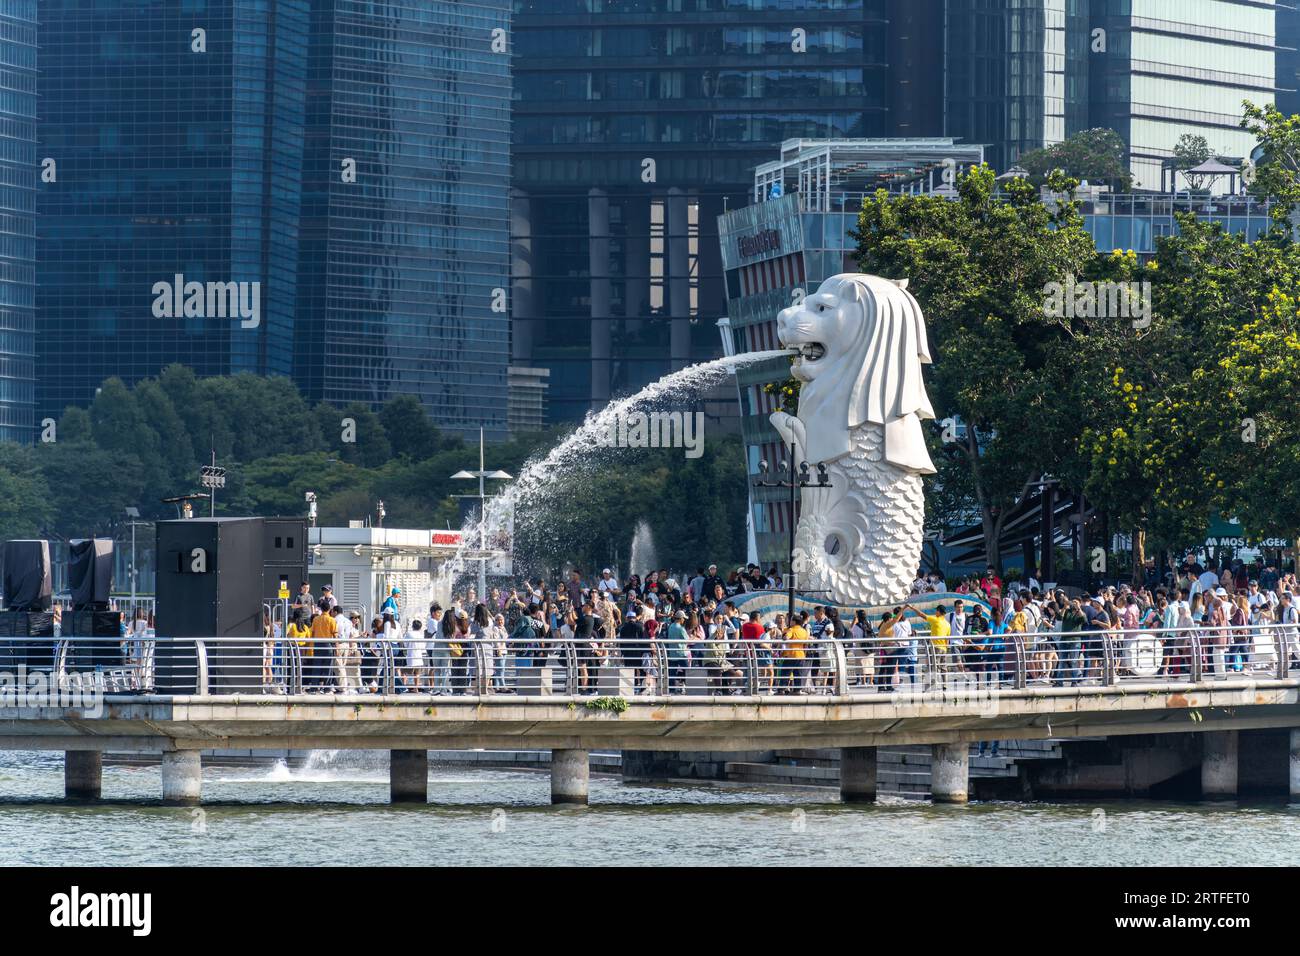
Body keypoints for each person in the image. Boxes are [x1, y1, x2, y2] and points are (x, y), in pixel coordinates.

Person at [309, 597, 337, 691]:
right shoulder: (332, 620)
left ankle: (313, 688)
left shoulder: (316, 619)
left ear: (320, 609)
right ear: (329, 609)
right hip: (328, 645)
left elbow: (312, 632)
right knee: (328, 667)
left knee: (316, 667)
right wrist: (336, 647)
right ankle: (327, 688)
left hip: (317, 645)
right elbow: (335, 634)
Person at [779, 612, 810, 694]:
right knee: (798, 674)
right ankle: (797, 690)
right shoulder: (804, 631)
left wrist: (784, 637)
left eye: (791, 620)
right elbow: (806, 643)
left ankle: (782, 689)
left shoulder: (791, 630)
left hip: (791, 655)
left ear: (794, 622)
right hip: (801, 655)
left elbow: (786, 637)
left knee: (785, 672)